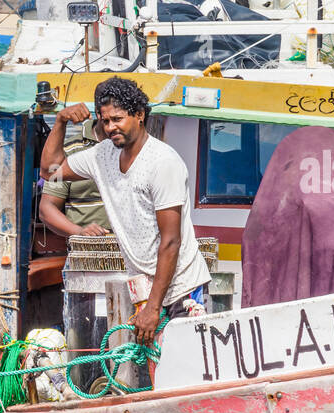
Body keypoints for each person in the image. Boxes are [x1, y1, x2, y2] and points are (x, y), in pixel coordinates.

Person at [39, 76, 210, 348]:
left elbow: (171, 241)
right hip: (143, 286)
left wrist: (153, 309)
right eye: (105, 121)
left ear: (140, 115)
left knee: (185, 371)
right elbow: (50, 170)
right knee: (151, 371)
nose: (111, 127)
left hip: (181, 289)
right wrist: (59, 121)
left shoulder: (162, 163)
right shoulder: (102, 155)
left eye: (118, 119)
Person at [39, 117, 110, 238]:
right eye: (110, 119)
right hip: (87, 247)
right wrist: (80, 231)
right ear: (99, 113)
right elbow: (47, 208)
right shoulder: (69, 150)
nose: (114, 126)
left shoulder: (140, 150)